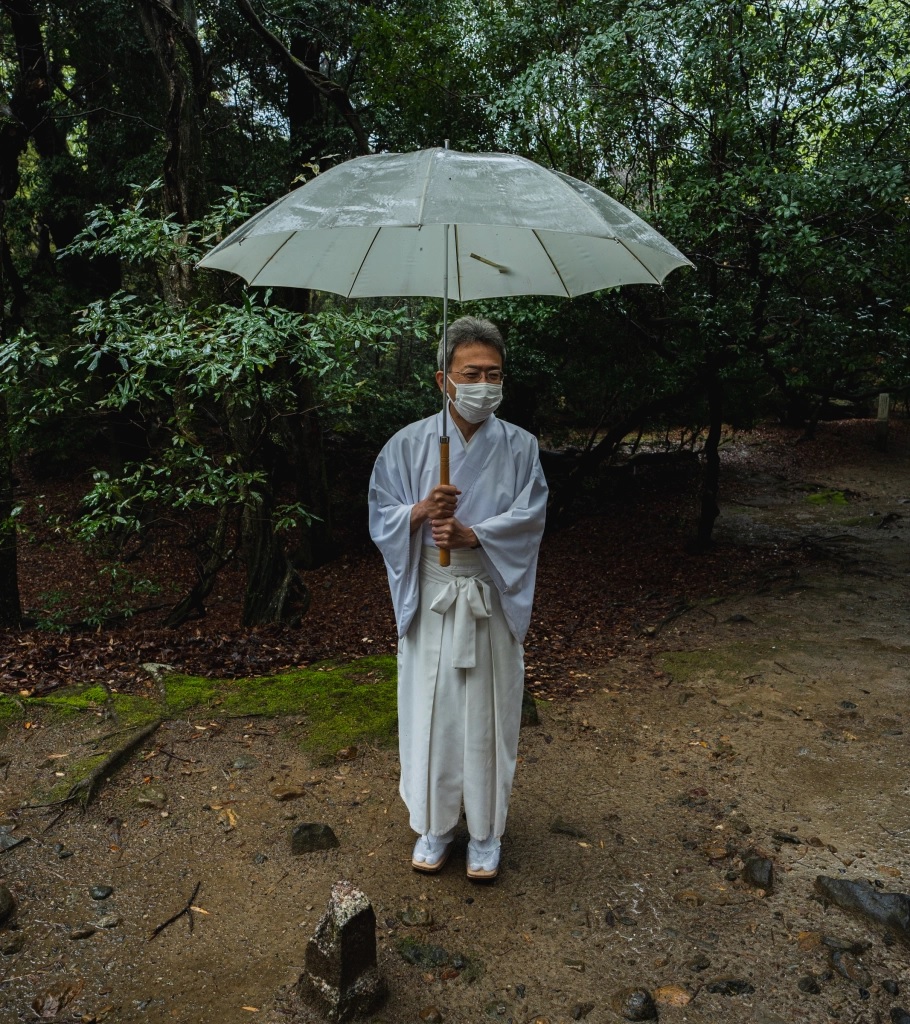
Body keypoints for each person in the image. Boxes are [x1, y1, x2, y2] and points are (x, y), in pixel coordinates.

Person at [368, 316, 548, 881]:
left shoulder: (521, 446)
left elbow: (531, 517)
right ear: (443, 378)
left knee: (490, 712)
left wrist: (476, 535)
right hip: (434, 595)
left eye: (494, 374)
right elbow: (381, 514)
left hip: (487, 594)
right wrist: (419, 514)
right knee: (432, 709)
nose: (484, 384)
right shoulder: (407, 444)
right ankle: (434, 823)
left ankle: (487, 831)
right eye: (472, 373)